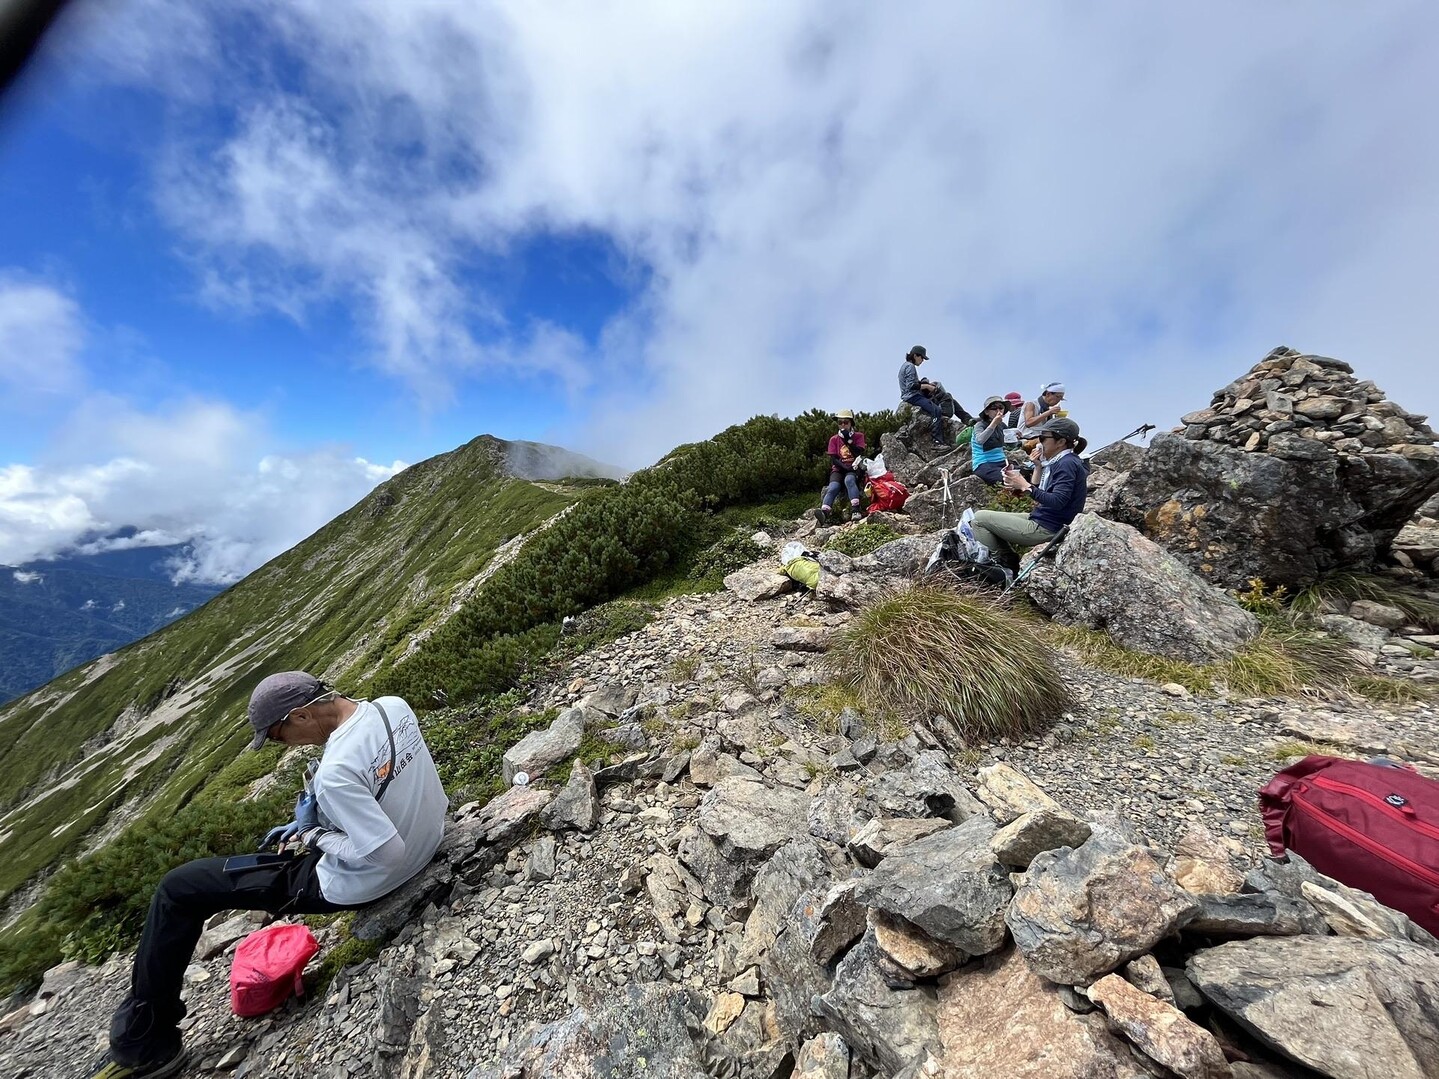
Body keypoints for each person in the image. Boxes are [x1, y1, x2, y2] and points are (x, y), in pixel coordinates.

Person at [90, 672, 448, 1079]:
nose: (281, 746)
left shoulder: (334, 771)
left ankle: (147, 1044)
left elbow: (387, 854)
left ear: (299, 716)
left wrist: (314, 833)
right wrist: (323, 816)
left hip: (363, 879)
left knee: (178, 888)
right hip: (430, 835)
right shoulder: (392, 707)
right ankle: (146, 1036)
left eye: (278, 736)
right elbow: (385, 780)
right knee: (210, 878)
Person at [968, 417, 1086, 568]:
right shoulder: (1062, 461)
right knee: (985, 517)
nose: (1039, 442)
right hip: (1043, 518)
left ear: (1061, 442)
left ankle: (997, 565)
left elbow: (1057, 501)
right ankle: (1009, 560)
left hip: (1047, 527)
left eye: (1043, 437)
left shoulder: (1066, 464)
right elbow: (1040, 496)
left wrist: (1025, 485)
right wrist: (1037, 467)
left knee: (979, 519)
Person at [818, 409, 867, 523]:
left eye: (846, 422)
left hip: (854, 467)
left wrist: (848, 440)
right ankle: (824, 513)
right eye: (840, 422)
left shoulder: (858, 436)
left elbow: (858, 453)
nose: (843, 425)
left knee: (849, 480)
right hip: (839, 468)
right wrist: (845, 467)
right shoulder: (834, 439)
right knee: (833, 488)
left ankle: (855, 510)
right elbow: (834, 459)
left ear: (851, 423)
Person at [897, 344, 947, 445]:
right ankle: (937, 441)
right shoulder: (910, 367)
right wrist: (927, 387)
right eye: (922, 358)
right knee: (936, 410)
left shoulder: (905, 365)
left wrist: (925, 384)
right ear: (915, 356)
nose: (922, 361)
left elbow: (912, 383)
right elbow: (911, 386)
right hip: (912, 396)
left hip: (911, 395)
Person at [969, 396, 1011, 485]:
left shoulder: (1002, 425)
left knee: (1023, 473)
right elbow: (980, 440)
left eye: (1001, 408)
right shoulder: (980, 425)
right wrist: (994, 423)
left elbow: (1010, 445)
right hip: (984, 463)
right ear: (987, 412)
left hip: (1002, 461)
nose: (998, 410)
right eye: (994, 408)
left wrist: (1016, 437)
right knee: (1006, 479)